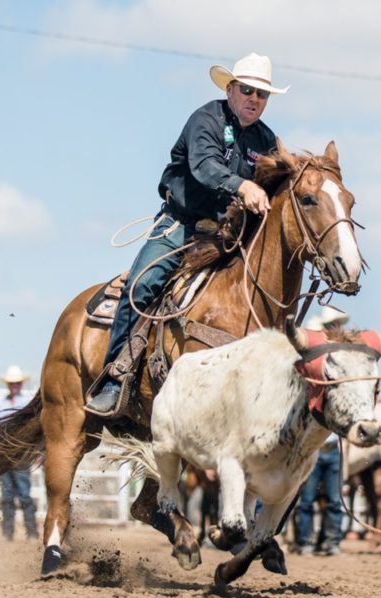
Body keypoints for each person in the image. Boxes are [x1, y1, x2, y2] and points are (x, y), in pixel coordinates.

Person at [86, 52, 288, 416]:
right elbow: (205, 167)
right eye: (247, 90)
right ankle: (115, 375)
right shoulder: (206, 120)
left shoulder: (267, 139)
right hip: (181, 224)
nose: (254, 99)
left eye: (262, 94)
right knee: (141, 286)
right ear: (230, 89)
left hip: (231, 233)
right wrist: (243, 186)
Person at [0, 365, 38, 541]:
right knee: (7, 496)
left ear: (21, 384)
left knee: (24, 495)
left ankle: (31, 532)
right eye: (12, 383)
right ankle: (8, 533)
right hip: (2, 454)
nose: (14, 386)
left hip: (22, 454)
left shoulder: (27, 403)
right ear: (8, 385)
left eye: (17, 383)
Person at [293, 433, 344, 556]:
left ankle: (332, 543)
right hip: (312, 450)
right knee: (307, 501)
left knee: (335, 501)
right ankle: (305, 542)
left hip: (334, 450)